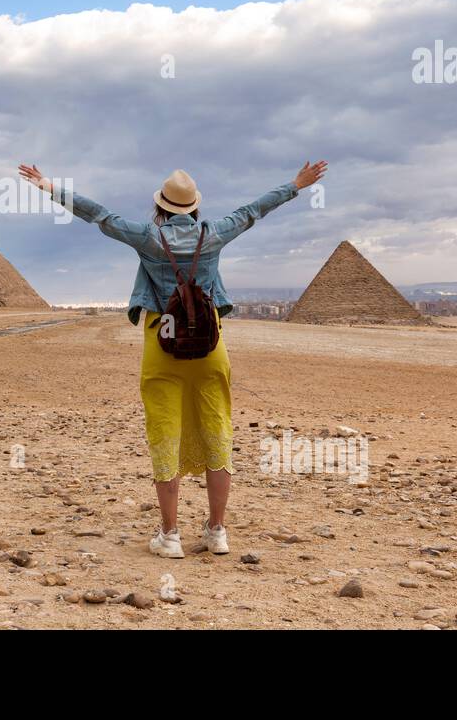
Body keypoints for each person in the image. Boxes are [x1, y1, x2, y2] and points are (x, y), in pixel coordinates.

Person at [18, 160, 327, 559]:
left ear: (161, 207)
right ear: (194, 207)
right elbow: (253, 211)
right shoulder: (214, 233)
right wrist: (296, 185)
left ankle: (170, 536)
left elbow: (98, 215)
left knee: (165, 433)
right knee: (217, 431)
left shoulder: (148, 236)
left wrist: (47, 185)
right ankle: (217, 532)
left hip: (162, 343)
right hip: (209, 346)